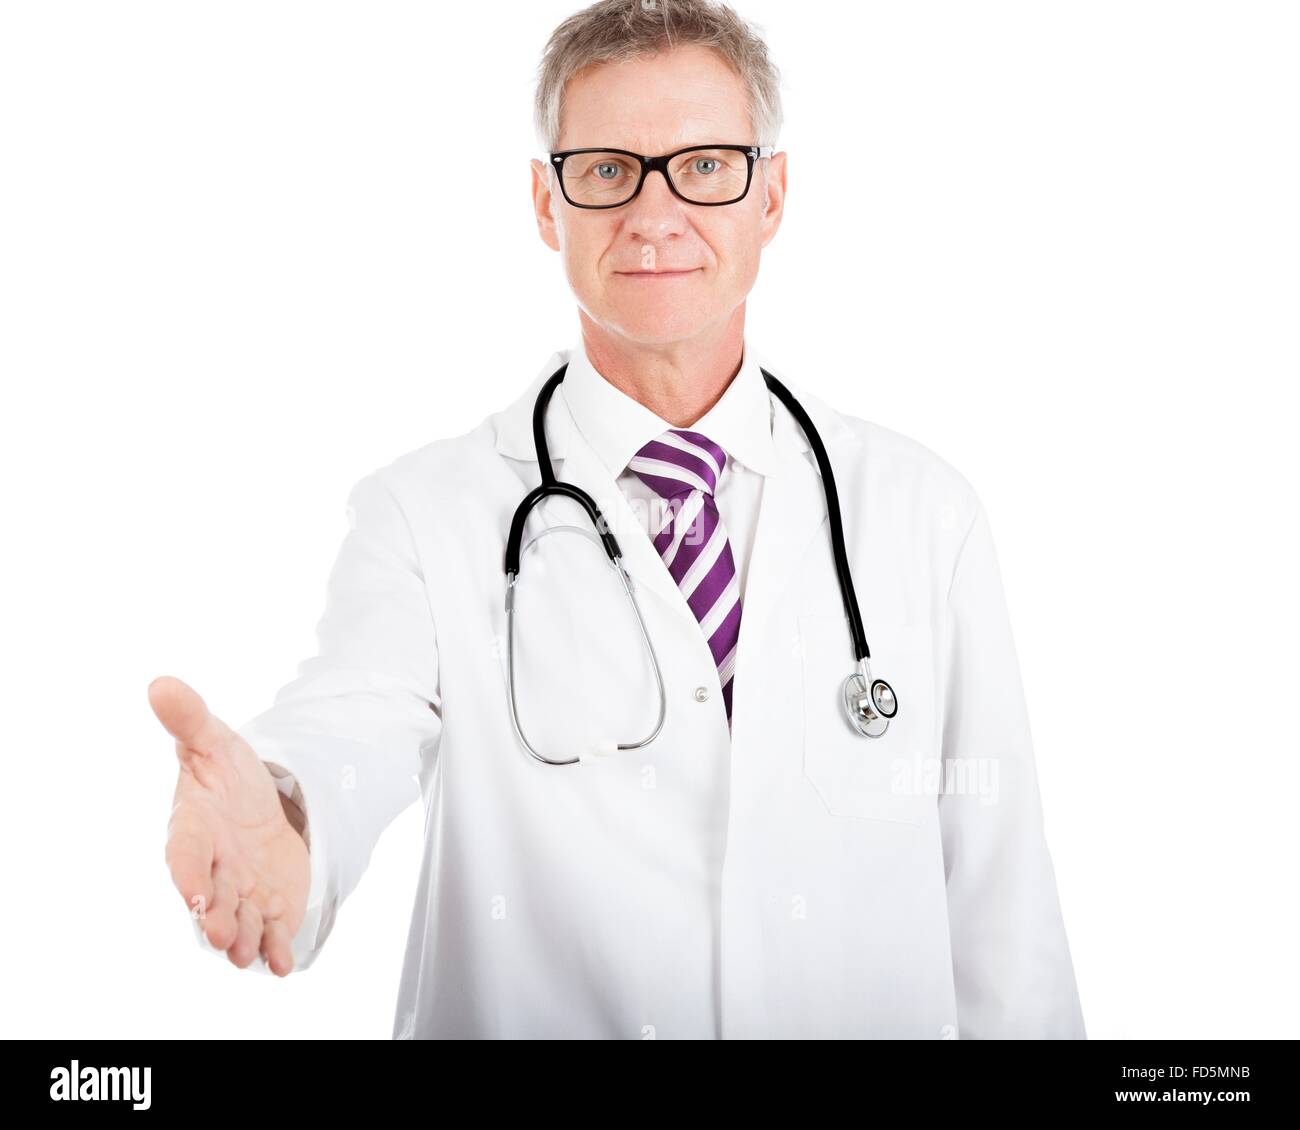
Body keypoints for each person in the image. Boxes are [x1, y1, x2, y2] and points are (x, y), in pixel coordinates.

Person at [149, 0, 1085, 1039]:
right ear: (546, 205)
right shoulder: (425, 518)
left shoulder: (923, 514)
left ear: (771, 195)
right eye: (606, 170)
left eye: (705, 165)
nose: (654, 213)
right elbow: (349, 723)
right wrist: (289, 813)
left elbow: (1005, 923)